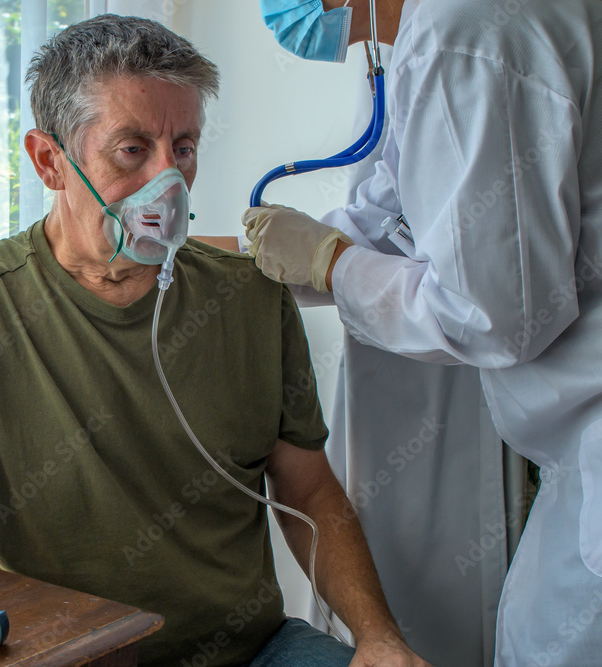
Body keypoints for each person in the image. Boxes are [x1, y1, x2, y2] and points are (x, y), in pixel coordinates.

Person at [0, 14, 428, 667]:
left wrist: (379, 637)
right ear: (49, 160)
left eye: (182, 148)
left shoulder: (250, 298)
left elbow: (313, 495)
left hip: (248, 651)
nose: (167, 182)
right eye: (133, 150)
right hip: (59, 654)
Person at [240, 1, 602, 664]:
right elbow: (404, 211)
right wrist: (273, 263)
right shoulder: (436, 35)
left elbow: (490, 316)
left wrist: (330, 262)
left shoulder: (458, 30)